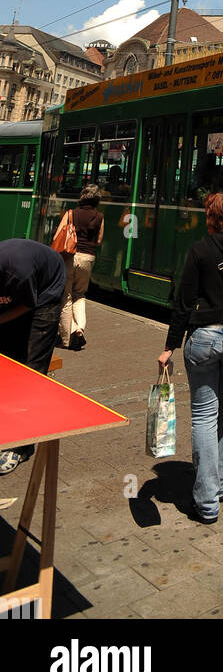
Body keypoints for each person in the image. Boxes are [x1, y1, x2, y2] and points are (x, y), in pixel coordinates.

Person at [157, 193, 223, 523]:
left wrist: (169, 346)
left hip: (203, 340)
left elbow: (183, 302)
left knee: (204, 414)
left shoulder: (200, 250)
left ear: (211, 216)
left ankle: (206, 503)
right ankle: (220, 484)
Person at [0, 239, 66, 474]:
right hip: (20, 292)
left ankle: (22, 446)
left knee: (30, 369)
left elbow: (29, 304)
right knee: (6, 359)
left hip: (45, 294)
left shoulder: (18, 272)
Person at [58, 184, 104, 350]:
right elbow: (98, 240)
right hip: (88, 258)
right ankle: (80, 329)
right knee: (80, 294)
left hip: (70, 256)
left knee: (66, 296)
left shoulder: (71, 213)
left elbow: (59, 235)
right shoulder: (99, 216)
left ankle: (66, 337)